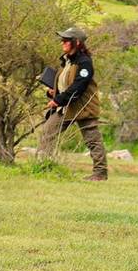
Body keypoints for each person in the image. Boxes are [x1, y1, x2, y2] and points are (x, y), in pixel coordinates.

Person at [38, 26, 109, 181]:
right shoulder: (66, 62)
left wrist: (57, 100)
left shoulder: (85, 63)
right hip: (66, 107)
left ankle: (100, 173)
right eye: (62, 40)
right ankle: (44, 167)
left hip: (84, 107)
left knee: (92, 140)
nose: (62, 42)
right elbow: (65, 85)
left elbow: (78, 86)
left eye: (66, 40)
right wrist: (53, 93)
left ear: (76, 42)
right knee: (47, 133)